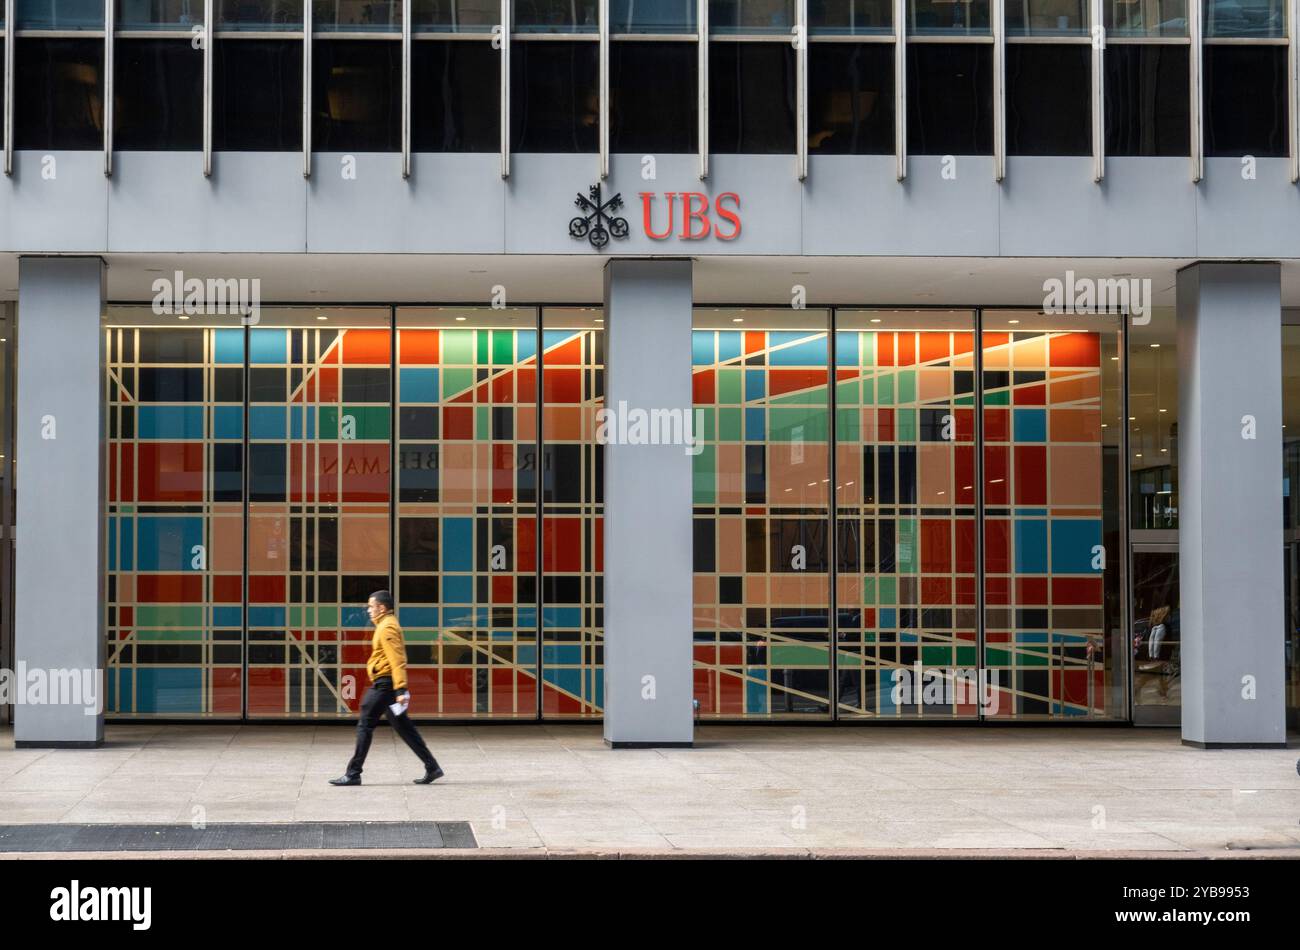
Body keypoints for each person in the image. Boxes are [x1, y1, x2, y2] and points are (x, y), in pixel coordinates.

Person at [329, 590, 444, 786]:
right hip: (387, 684)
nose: (368, 610)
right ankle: (432, 767)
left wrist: (400, 689)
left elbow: (397, 659)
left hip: (385, 684)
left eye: (371, 606)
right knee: (405, 728)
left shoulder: (387, 627)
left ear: (381, 608)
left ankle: (353, 773)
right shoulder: (383, 625)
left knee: (365, 723)